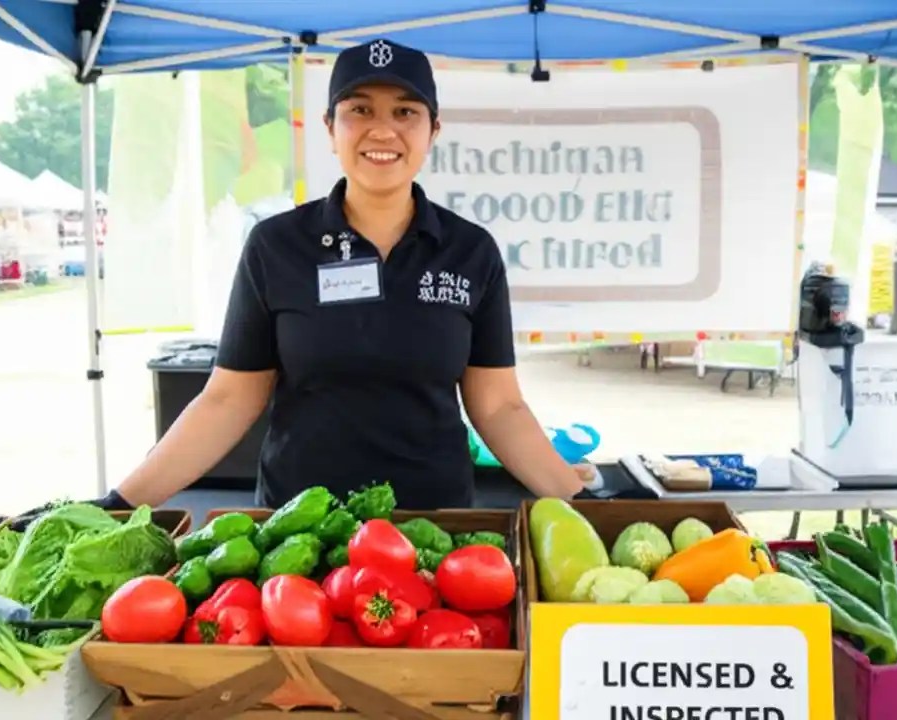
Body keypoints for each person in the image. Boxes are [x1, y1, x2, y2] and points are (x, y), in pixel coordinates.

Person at [98, 38, 587, 512]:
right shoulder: (276, 245)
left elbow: (500, 408)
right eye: (359, 110)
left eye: (405, 112)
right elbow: (227, 400)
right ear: (330, 128)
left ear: (433, 132)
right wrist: (120, 503)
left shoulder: (469, 251)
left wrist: (590, 502)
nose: (382, 130)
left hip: (434, 532)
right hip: (298, 538)